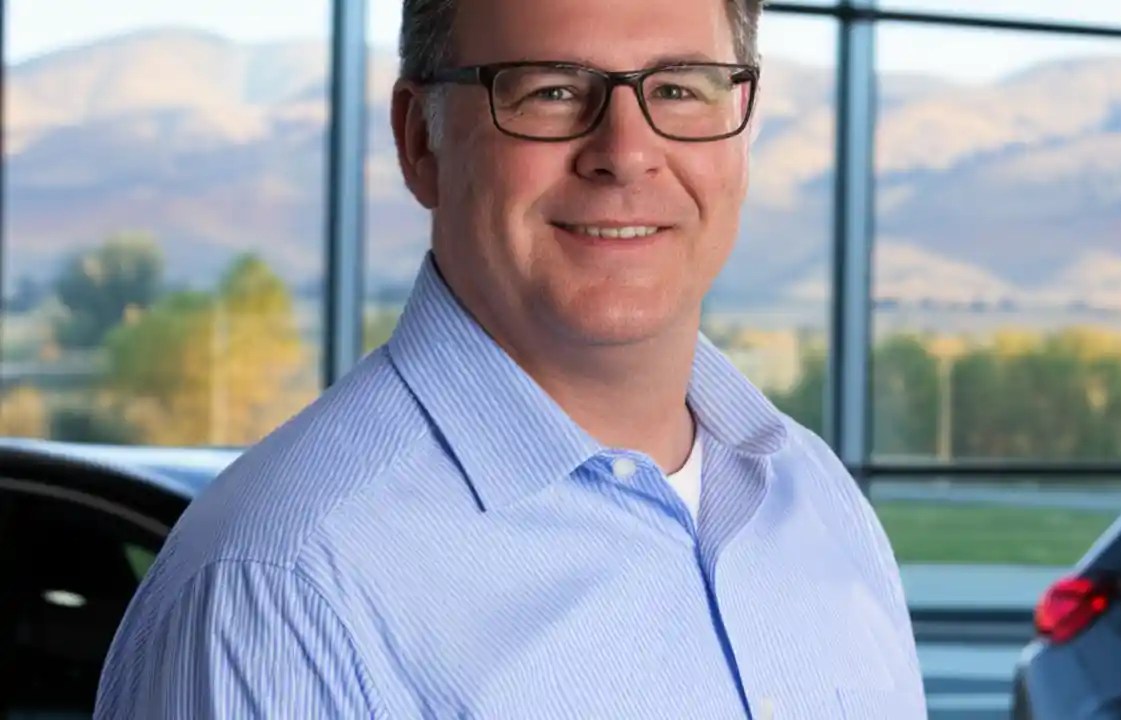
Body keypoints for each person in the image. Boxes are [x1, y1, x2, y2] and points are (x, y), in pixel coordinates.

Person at [93, 0, 926, 717]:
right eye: (553, 90)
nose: (626, 152)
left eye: (678, 89)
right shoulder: (281, 590)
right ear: (422, 141)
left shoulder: (817, 504)